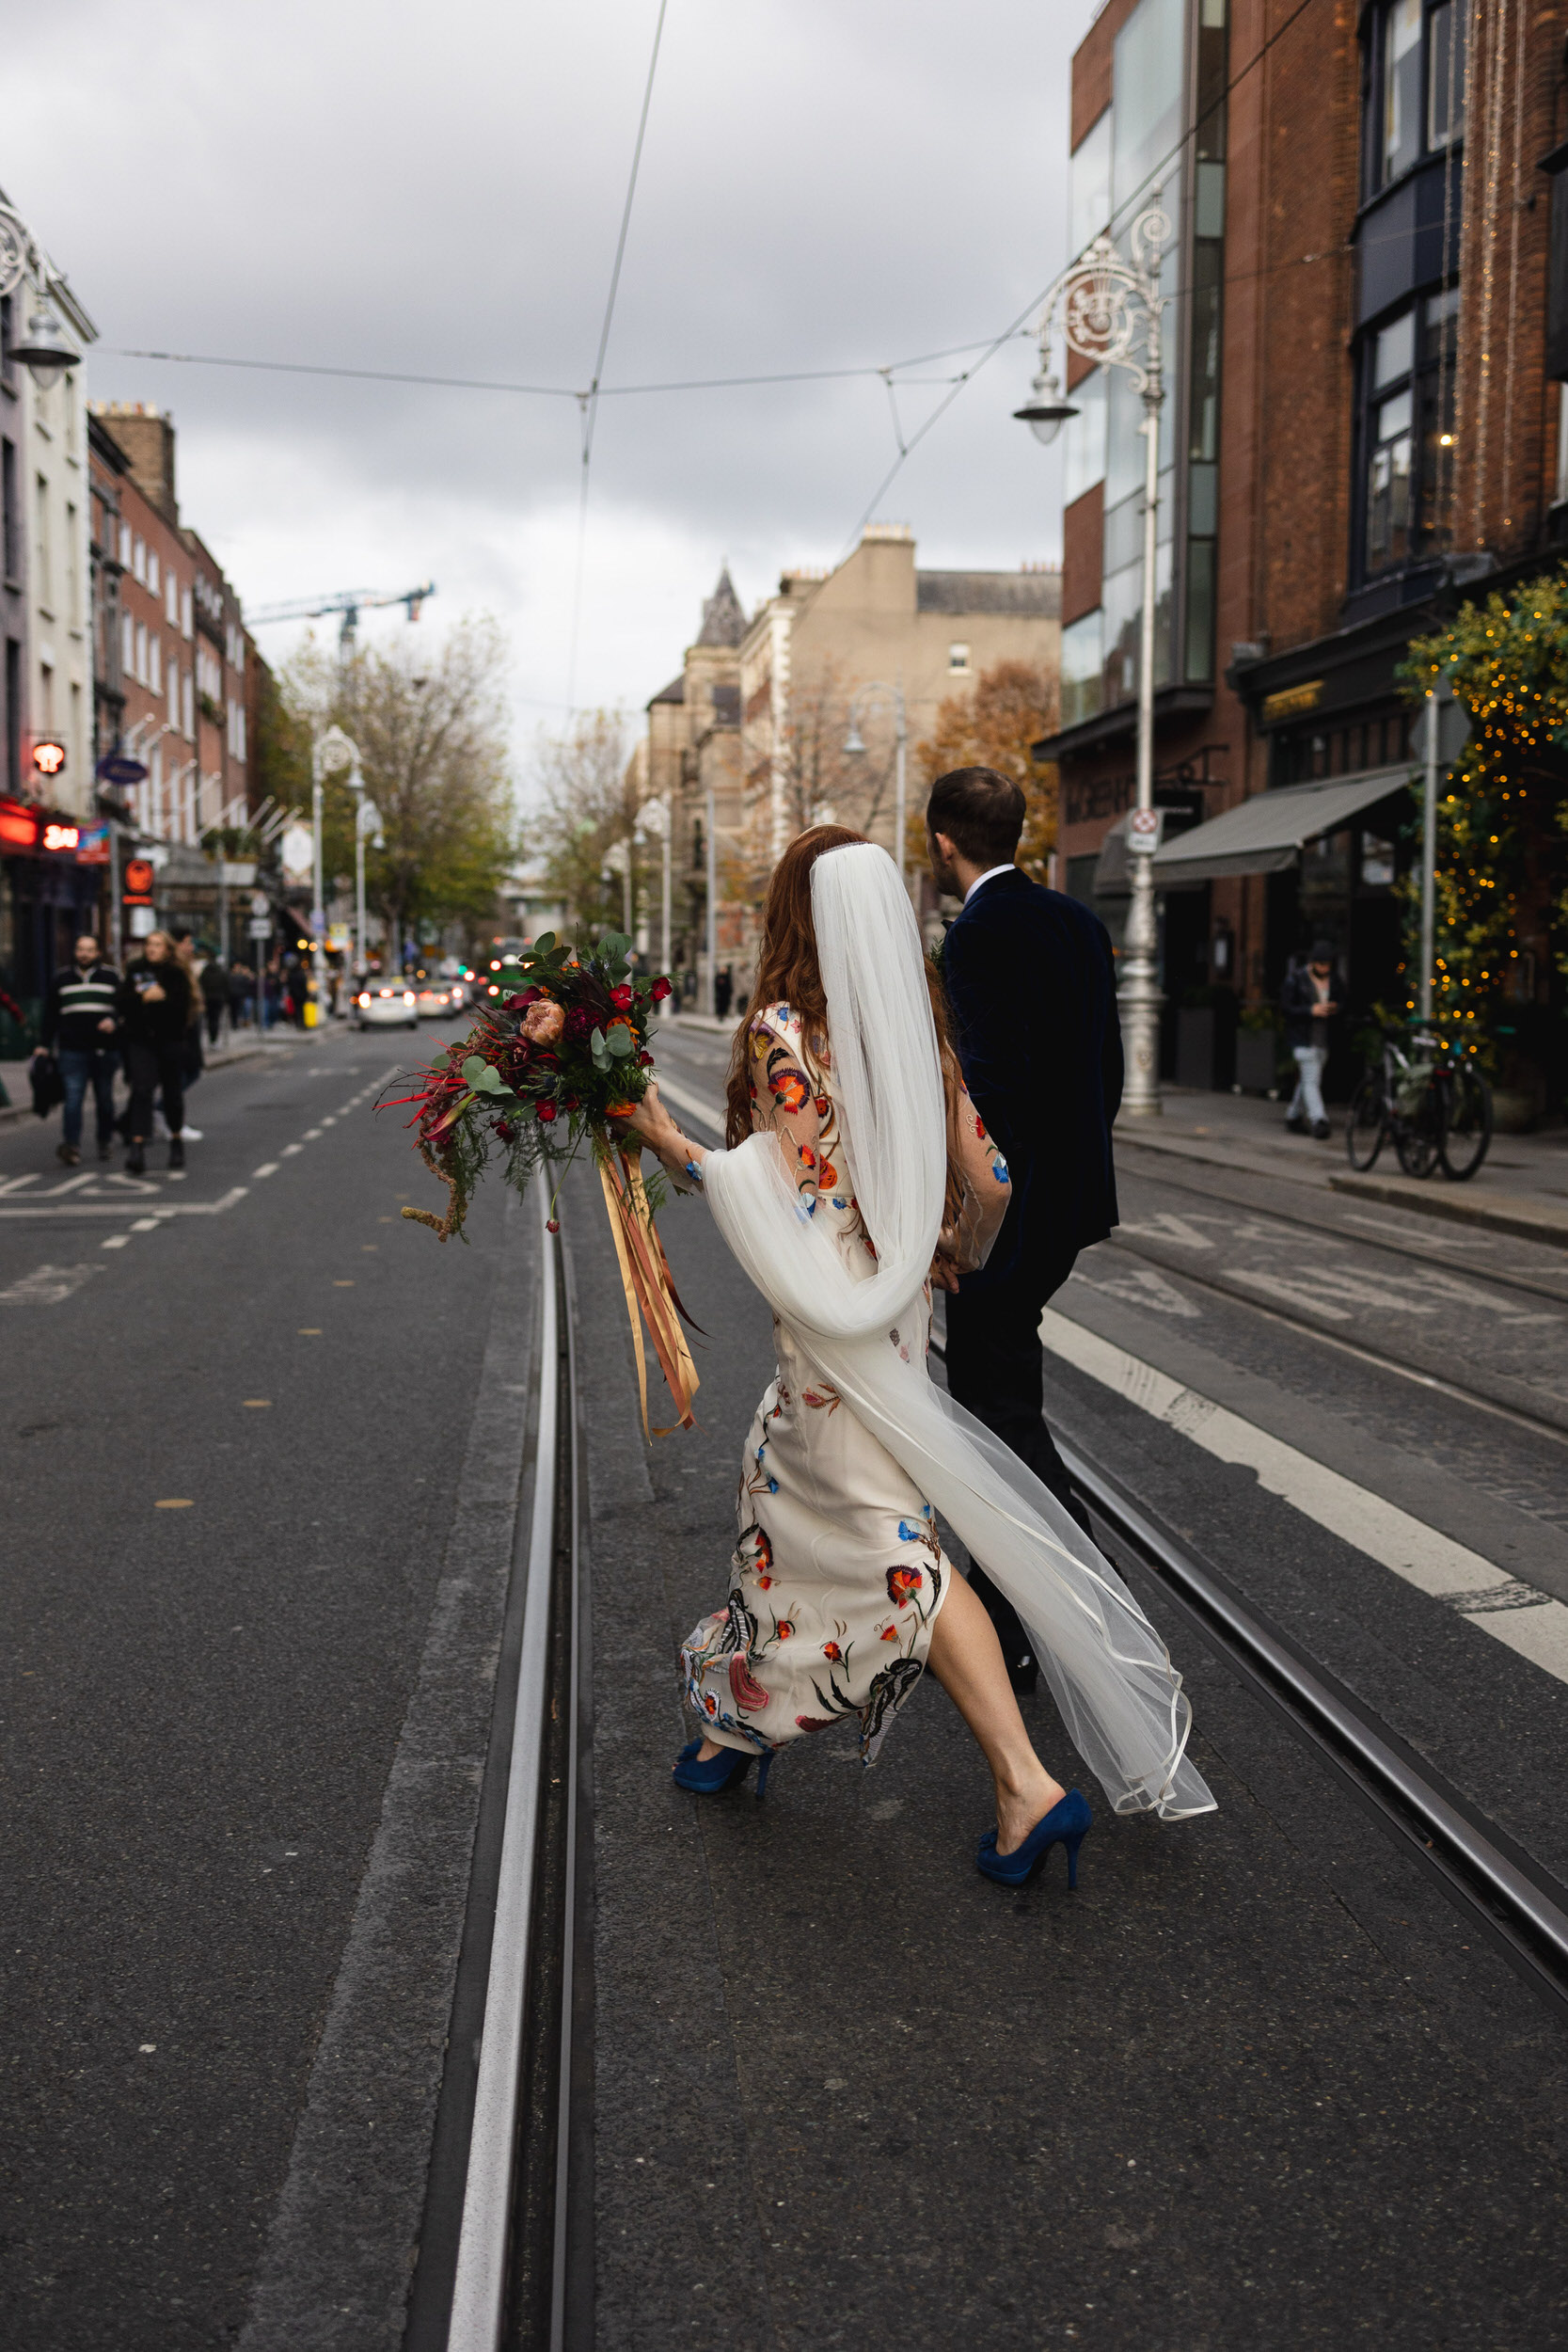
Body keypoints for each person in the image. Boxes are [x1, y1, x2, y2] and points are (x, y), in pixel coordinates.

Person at [626, 826, 1212, 1885]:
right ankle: (729, 1729)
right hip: (891, 1310)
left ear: (789, 917)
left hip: (832, 1323)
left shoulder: (782, 1032)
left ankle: (1023, 1784)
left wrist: (659, 1134)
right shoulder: (916, 1040)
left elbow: (789, 1198)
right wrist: (947, 1254)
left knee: (886, 1543)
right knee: (780, 1491)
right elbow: (987, 1177)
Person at [926, 767, 1123, 1692]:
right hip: (1070, 1203)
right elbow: (1107, 1071)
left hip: (1006, 1218)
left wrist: (963, 1225)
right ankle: (1004, 1616)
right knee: (1007, 1395)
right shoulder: (1077, 923)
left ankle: (1070, 1586)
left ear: (941, 844)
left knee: (993, 1416)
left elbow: (990, 1094)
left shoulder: (976, 937)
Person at [37, 933, 120, 1165]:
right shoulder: (61, 978)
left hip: (105, 1049)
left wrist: (113, 1020)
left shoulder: (111, 977)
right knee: (73, 1099)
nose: (84, 954)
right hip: (72, 1049)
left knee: (104, 1098)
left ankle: (105, 1142)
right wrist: (44, 1045)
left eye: (89, 949)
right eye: (80, 949)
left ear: (98, 953)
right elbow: (50, 1014)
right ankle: (71, 1145)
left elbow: (123, 1007)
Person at [119, 930, 191, 1173]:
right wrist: (144, 999)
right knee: (141, 1090)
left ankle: (176, 1140)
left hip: (169, 1041)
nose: (152, 949)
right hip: (141, 1041)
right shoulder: (136, 971)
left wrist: (160, 999)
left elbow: (181, 1010)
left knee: (172, 1094)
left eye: (158, 945)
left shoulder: (176, 974)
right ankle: (137, 1146)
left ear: (168, 950)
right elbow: (122, 1002)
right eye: (149, 944)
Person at [1282, 941, 1339, 1139]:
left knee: (1308, 1080)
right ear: (1313, 963)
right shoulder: (1296, 979)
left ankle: (1293, 1116)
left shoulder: (1334, 980)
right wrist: (1310, 1010)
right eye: (1322, 964)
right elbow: (1286, 1009)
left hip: (1323, 1039)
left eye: (1328, 965)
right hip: (1303, 1039)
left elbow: (1345, 1001)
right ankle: (1319, 1120)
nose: (1325, 968)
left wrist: (1335, 1007)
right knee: (1312, 1081)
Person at [199, 952, 229, 1047]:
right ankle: (214, 1040)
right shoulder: (221, 973)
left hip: (207, 998)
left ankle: (211, 1039)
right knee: (215, 1019)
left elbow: (200, 984)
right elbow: (226, 986)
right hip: (218, 999)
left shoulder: (205, 973)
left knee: (209, 1019)